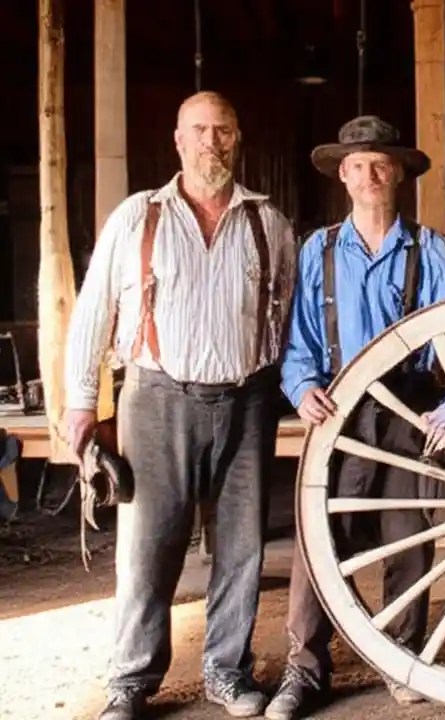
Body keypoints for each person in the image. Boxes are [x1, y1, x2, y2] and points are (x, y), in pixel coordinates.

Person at [62, 91, 297, 720]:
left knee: (242, 547)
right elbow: (93, 312)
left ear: (237, 138)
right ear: (177, 140)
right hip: (157, 397)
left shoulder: (267, 222)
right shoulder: (138, 216)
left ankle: (225, 672)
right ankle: (132, 682)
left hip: (248, 399)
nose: (210, 143)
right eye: (199, 130)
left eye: (222, 131)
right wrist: (81, 402)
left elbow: (289, 313)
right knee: (148, 546)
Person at [265, 115, 445, 720]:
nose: (372, 173)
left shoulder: (433, 250)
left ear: (401, 174)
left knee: (408, 534)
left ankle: (398, 656)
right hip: (341, 409)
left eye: (383, 163)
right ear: (344, 176)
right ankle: (305, 669)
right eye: (359, 165)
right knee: (319, 539)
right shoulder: (319, 251)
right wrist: (302, 388)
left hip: (411, 408)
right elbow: (298, 340)